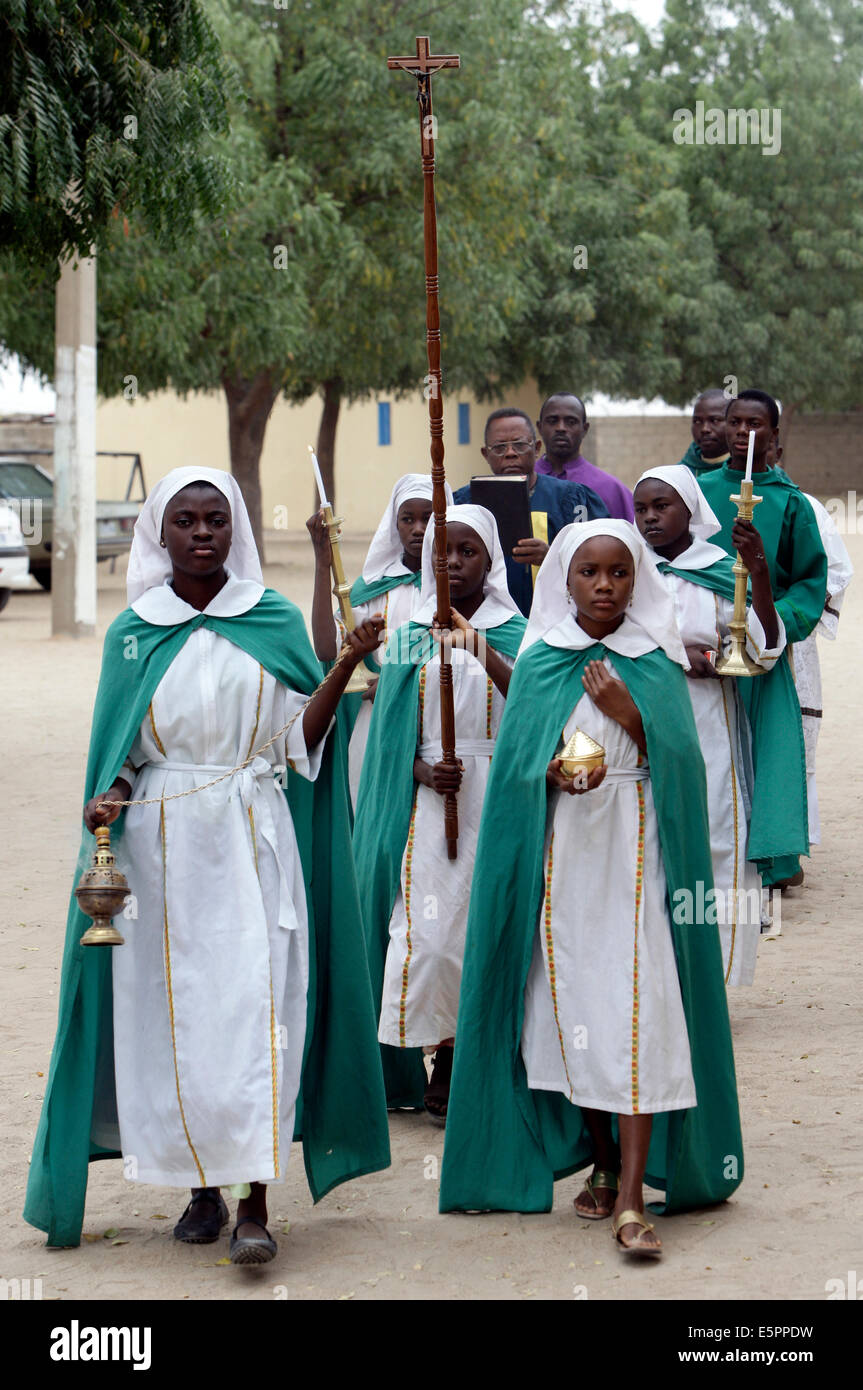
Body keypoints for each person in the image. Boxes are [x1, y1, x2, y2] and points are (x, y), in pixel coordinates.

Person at [24, 468, 390, 1259]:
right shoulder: (136, 633)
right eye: (185, 520)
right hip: (161, 855)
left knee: (256, 1010)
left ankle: (256, 1200)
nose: (200, 533)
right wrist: (110, 795)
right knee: (177, 1016)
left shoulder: (272, 618)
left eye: (215, 520)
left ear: (236, 531)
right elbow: (122, 752)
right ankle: (201, 1188)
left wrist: (342, 666)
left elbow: (300, 743)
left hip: (253, 839)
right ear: (161, 533)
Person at [439, 520, 743, 1256]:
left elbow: (681, 767)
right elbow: (518, 765)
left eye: (618, 573)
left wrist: (628, 717)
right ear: (562, 581)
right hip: (564, 858)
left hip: (639, 856)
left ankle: (633, 1198)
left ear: (636, 580)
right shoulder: (544, 659)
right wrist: (543, 771)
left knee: (637, 1006)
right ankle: (603, 1158)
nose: (604, 586)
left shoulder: (655, 659)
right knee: (572, 1004)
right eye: (588, 573)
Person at [353, 504, 526, 1123]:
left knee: (483, 930)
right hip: (429, 802)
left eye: (467, 551)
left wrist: (477, 645)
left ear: (490, 560)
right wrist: (421, 770)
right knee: (428, 939)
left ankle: (459, 1057)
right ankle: (430, 1049)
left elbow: (533, 715)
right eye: (441, 552)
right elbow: (387, 735)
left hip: (498, 796)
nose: (452, 561)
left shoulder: (518, 632)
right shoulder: (409, 636)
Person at [633, 465, 787, 985]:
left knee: (715, 836)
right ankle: (659, 978)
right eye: (642, 509)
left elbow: (763, 651)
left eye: (662, 506)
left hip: (707, 726)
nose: (650, 517)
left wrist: (759, 573)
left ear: (691, 510)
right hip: (639, 725)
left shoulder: (723, 569)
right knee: (650, 842)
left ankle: (708, 981)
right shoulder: (625, 569)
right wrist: (675, 659)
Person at [699, 390, 828, 889]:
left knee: (761, 749)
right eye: (734, 422)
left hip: (763, 649)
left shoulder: (791, 503)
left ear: (773, 435)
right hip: (702, 646)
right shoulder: (698, 489)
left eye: (755, 425)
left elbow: (809, 584)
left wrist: (766, 627)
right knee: (713, 747)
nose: (741, 432)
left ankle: (769, 861)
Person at [307, 473, 451, 808]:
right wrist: (323, 564)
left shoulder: (457, 587)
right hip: (377, 724)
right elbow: (327, 648)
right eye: (408, 519)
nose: (419, 528)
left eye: (429, 518)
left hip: (438, 722)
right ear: (393, 524)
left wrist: (391, 684)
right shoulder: (373, 589)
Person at [768, 445, 853, 846]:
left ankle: (788, 843)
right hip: (723, 643)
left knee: (791, 740)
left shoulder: (805, 507)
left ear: (777, 447)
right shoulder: (705, 497)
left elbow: (834, 572)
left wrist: (787, 611)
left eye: (759, 437)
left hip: (788, 642)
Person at [454, 408, 607, 616]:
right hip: (484, 624)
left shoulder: (571, 498)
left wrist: (552, 556)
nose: (510, 453)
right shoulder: (463, 504)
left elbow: (603, 559)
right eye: (499, 447)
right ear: (485, 454)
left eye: (519, 445)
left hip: (557, 622)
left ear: (536, 449)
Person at [535, 392, 634, 520]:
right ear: (540, 427)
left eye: (571, 422)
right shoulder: (524, 484)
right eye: (552, 421)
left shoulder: (612, 490)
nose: (561, 428)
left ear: (585, 429)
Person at [677, 389, 732, 476]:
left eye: (714, 420)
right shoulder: (679, 475)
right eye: (697, 421)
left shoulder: (747, 471)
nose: (704, 429)